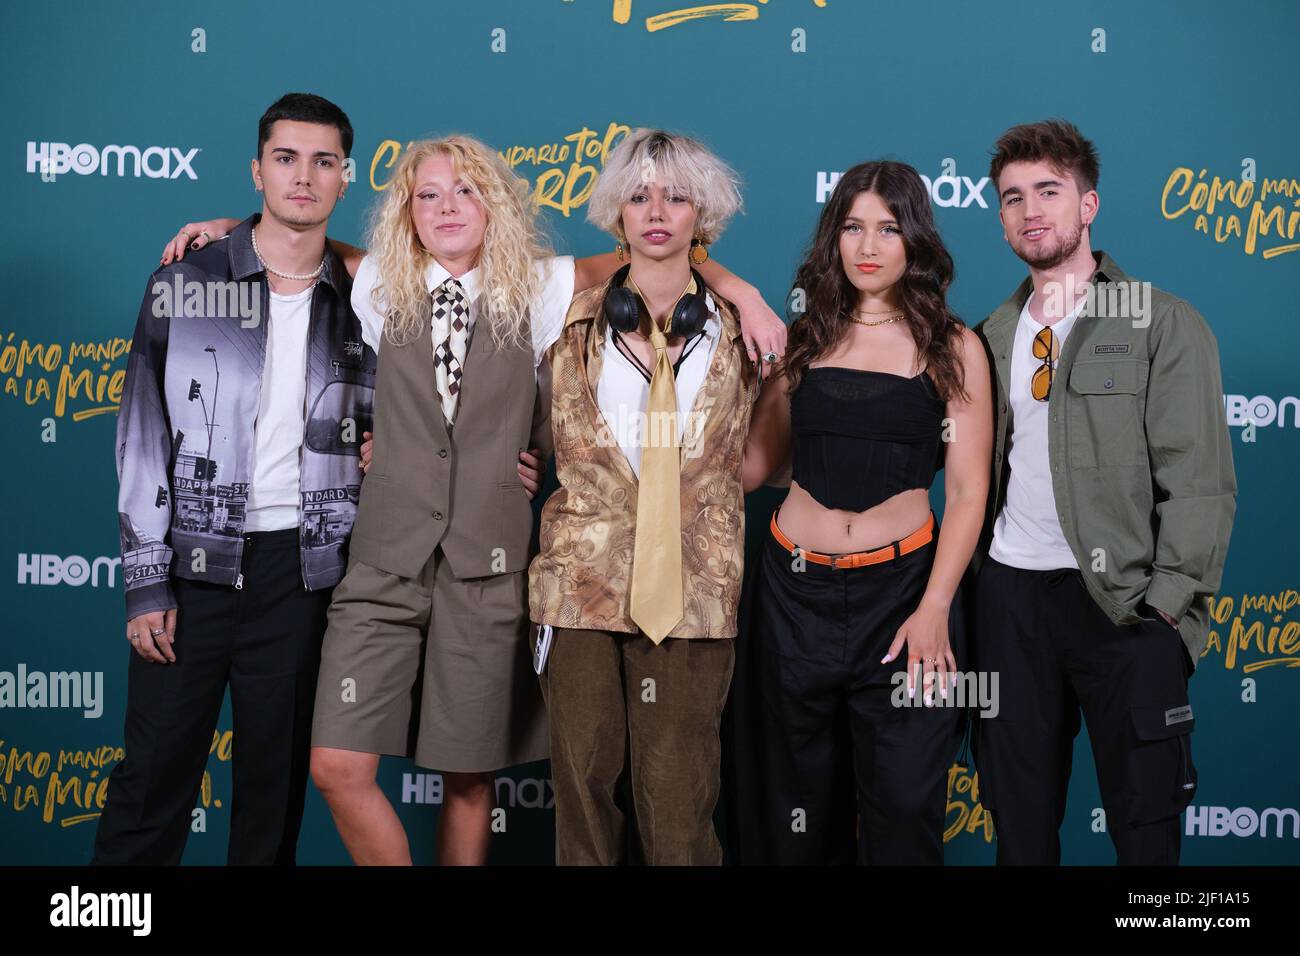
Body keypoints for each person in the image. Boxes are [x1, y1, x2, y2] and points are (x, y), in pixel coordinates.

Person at [165, 135, 784, 865]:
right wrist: (231, 229)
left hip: (486, 572)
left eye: (464, 192)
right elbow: (303, 239)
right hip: (385, 565)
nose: (447, 207)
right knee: (336, 766)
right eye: (427, 195)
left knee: (469, 780)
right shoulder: (377, 284)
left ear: (494, 205)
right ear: (408, 212)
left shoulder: (543, 287)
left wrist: (742, 291)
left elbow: (653, 248)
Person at [94, 93, 374, 865]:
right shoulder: (188, 281)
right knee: (149, 787)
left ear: (345, 178)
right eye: (286, 158)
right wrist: (147, 582)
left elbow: (421, 409)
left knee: (270, 803)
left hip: (304, 573)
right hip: (192, 569)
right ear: (257, 171)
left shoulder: (371, 297)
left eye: (324, 162)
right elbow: (142, 435)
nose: (304, 177)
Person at [971, 119, 1237, 865]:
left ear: (1088, 206)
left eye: (1049, 192)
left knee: (1145, 830)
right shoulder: (988, 335)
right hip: (1010, 604)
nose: (1031, 211)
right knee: (1019, 827)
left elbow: (1201, 479)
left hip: (1123, 605)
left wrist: (1165, 609)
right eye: (1013, 198)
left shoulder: (1160, 321)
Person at [726, 160, 992, 864]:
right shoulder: (804, 339)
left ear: (915, 242)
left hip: (904, 600)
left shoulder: (954, 348)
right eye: (852, 227)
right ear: (833, 237)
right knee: (794, 811)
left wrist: (935, 605)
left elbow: (967, 492)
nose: (868, 246)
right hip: (792, 595)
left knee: (904, 808)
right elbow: (752, 468)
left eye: (887, 228)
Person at [529, 129, 766, 865]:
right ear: (616, 213)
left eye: (677, 196)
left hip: (694, 595)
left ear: (705, 215)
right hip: (580, 588)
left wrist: (743, 291)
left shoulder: (748, 334)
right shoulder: (560, 315)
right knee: (583, 796)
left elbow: (759, 465)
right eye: (639, 195)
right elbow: (414, 267)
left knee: (678, 807)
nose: (656, 210)